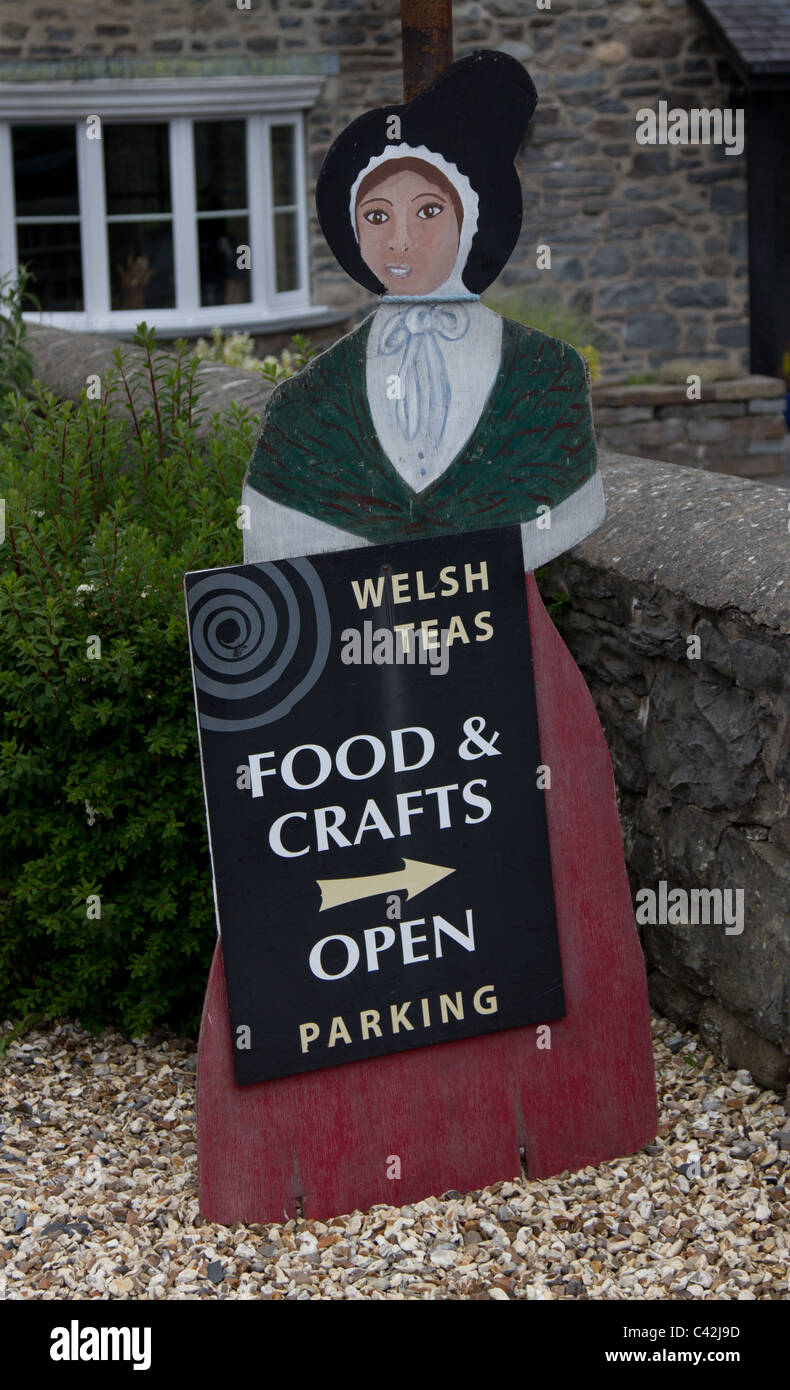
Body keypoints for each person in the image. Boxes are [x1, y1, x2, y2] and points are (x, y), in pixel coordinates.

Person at [241, 49, 604, 569]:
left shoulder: (547, 375)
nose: (401, 241)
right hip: (369, 620)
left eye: (429, 211)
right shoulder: (306, 402)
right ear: (353, 233)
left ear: (468, 221)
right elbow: (275, 543)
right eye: (377, 216)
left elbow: (571, 510)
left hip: (501, 618)